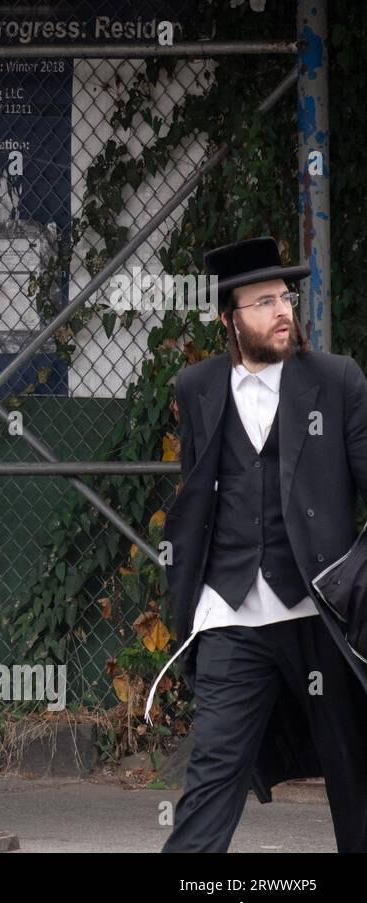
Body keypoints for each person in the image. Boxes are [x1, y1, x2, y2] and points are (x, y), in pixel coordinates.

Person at [148, 236, 367, 852]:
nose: (282, 311)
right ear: (229, 319)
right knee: (213, 773)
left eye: (286, 297)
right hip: (230, 612)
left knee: (353, 777)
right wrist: (188, 602)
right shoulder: (196, 387)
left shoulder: (336, 379)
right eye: (264, 300)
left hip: (320, 614)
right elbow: (198, 497)